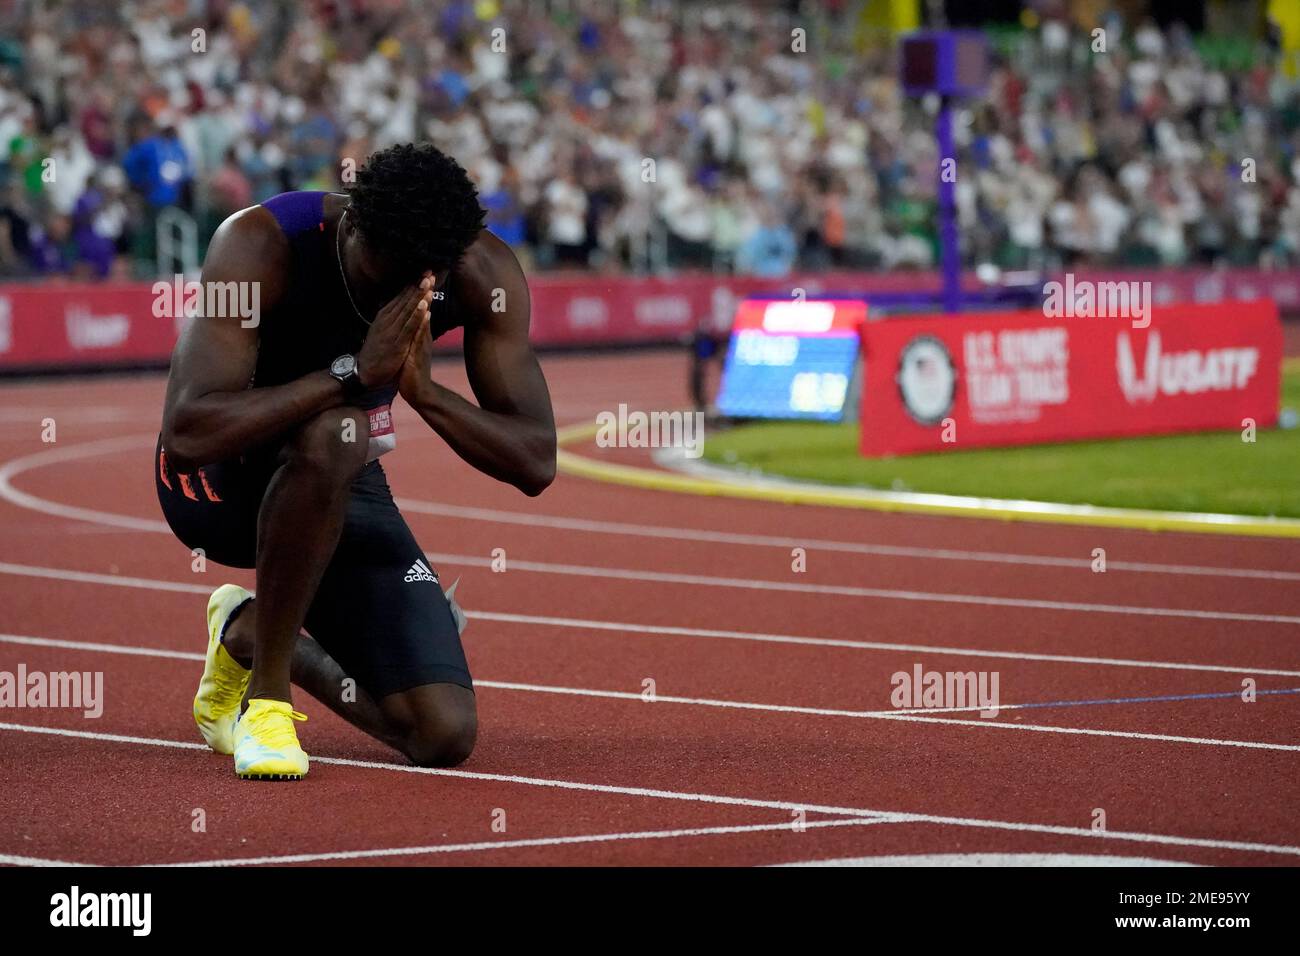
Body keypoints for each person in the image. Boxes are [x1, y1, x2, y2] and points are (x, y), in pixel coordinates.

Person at [156, 143, 556, 780]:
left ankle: (247, 629)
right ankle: (267, 703)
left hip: (335, 476)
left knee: (442, 732)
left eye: (423, 280)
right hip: (216, 484)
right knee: (341, 430)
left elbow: (536, 461)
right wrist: (350, 374)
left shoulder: (480, 272)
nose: (402, 292)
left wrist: (426, 394)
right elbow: (188, 431)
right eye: (383, 274)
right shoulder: (261, 244)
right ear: (351, 225)